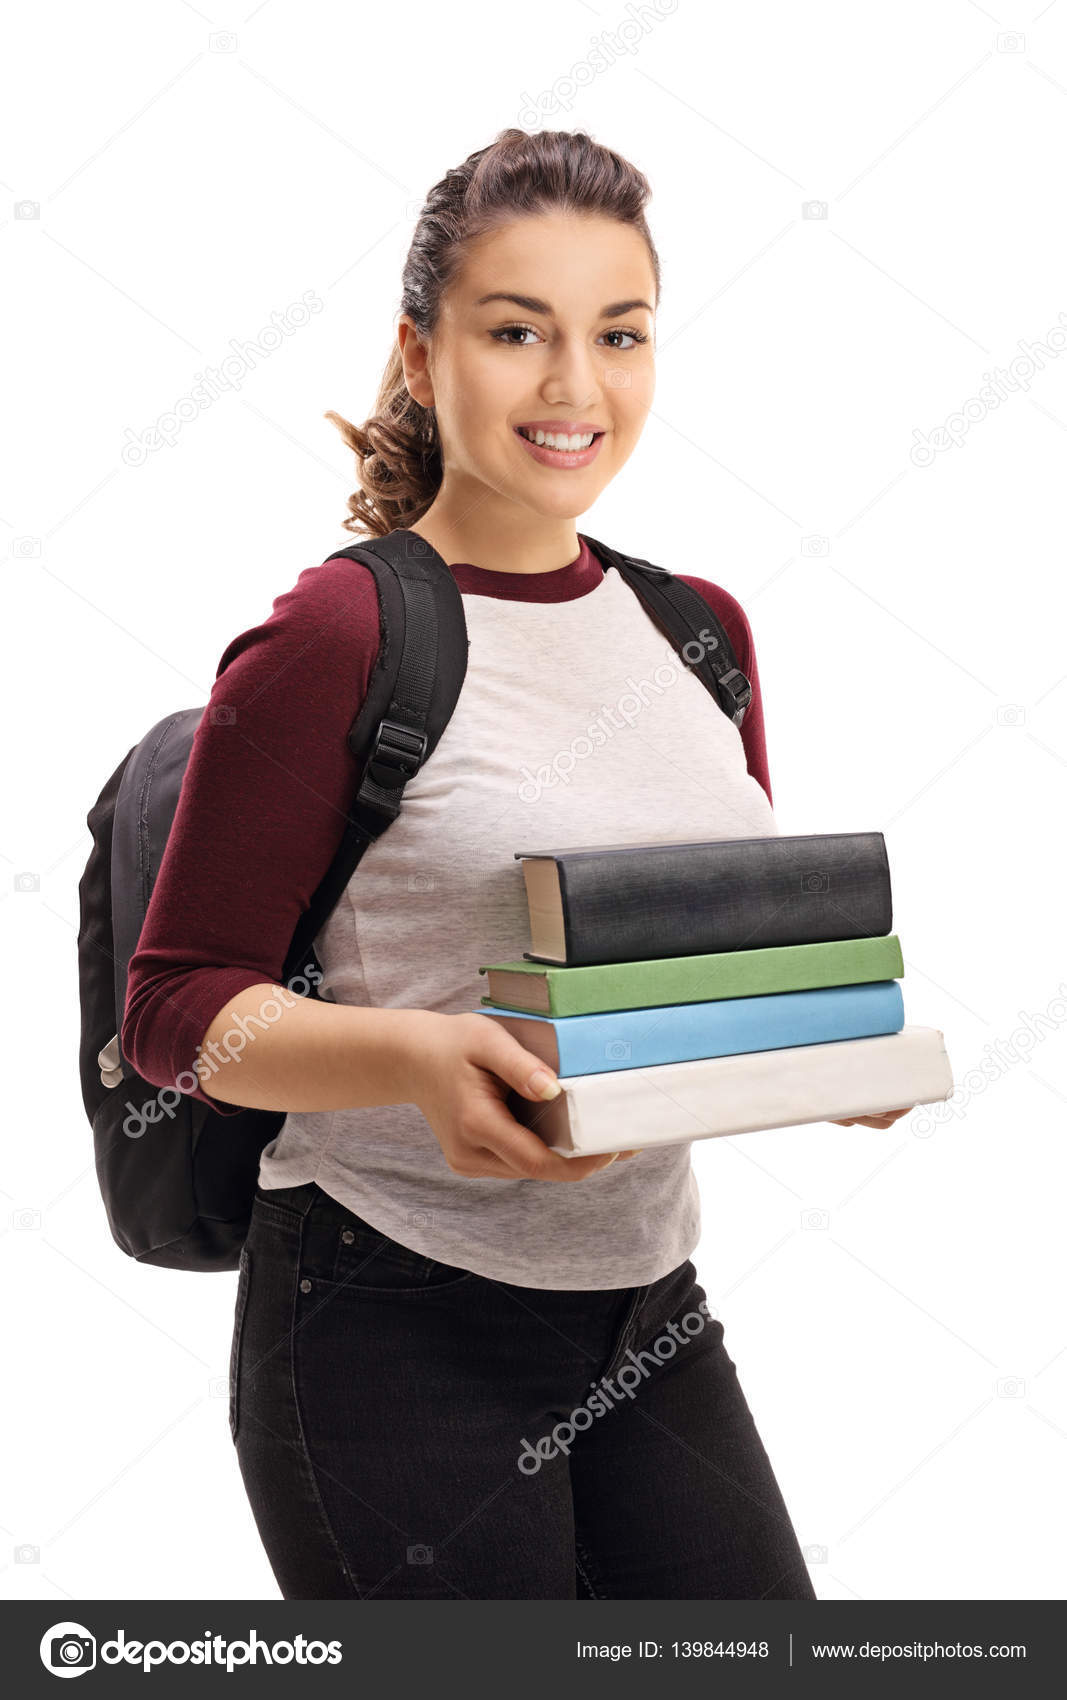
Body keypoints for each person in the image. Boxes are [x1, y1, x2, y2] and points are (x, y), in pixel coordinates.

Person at [122, 127, 910, 1601]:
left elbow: (686, 957)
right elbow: (175, 1013)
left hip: (647, 1311)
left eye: (619, 334)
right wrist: (418, 1056)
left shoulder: (699, 633)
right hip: (382, 1322)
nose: (574, 387)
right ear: (421, 358)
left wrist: (811, 1049)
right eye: (515, 332)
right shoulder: (339, 637)